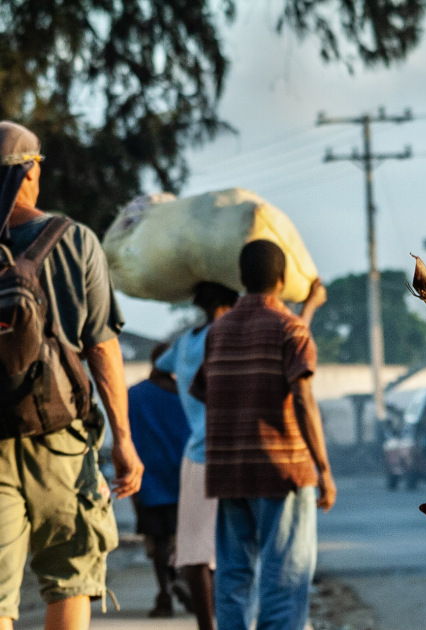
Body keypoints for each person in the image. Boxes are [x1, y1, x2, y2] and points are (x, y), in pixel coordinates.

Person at [0, 121, 145, 630]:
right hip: (60, 436)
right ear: (30, 173)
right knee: (73, 578)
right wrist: (123, 439)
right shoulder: (75, 240)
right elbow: (102, 348)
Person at [191, 239, 333, 630]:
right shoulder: (290, 329)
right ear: (283, 279)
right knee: (285, 576)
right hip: (282, 471)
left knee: (234, 573)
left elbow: (204, 391)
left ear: (240, 278)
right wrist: (323, 468)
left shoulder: (217, 333)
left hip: (229, 471)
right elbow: (303, 397)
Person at [155, 281, 240, 630]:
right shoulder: (233, 333)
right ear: (229, 300)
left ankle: (207, 626)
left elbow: (158, 370)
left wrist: (186, 396)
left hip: (198, 454)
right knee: (236, 548)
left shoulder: (186, 341)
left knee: (195, 550)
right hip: (236, 453)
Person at [127, 342, 192, 618]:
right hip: (184, 478)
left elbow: (125, 436)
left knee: (158, 540)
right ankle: (183, 579)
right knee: (187, 539)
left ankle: (164, 592)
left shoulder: (133, 395)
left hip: (147, 478)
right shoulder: (189, 395)